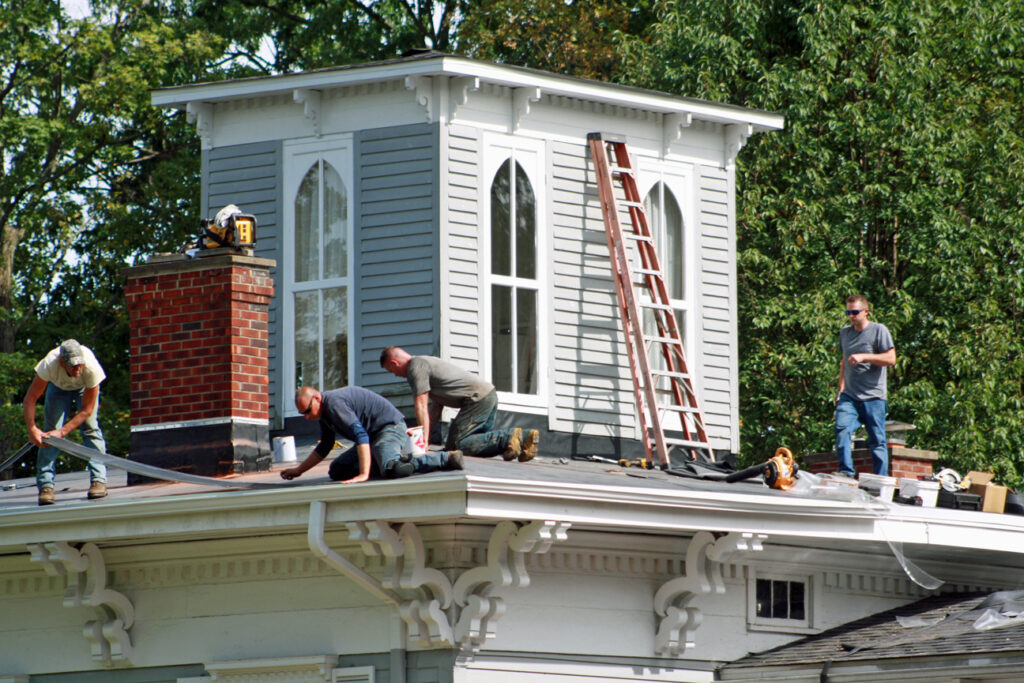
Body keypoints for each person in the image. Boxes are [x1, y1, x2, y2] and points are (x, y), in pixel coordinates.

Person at [379, 347, 539, 462]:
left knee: (457, 446)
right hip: (487, 395)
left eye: (392, 371)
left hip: (477, 399)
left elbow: (421, 407)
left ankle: (510, 437)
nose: (395, 375)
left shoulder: (416, 367)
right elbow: (435, 410)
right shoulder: (426, 363)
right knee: (476, 444)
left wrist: (422, 445)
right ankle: (522, 440)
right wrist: (426, 440)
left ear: (394, 363)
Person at [281, 385, 463, 484]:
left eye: (306, 410)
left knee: (392, 469)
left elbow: (361, 436)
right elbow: (325, 446)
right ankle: (383, 461)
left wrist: (363, 474)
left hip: (389, 428)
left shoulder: (334, 404)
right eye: (302, 413)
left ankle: (445, 458)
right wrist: (298, 471)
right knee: (338, 470)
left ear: (317, 398)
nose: (306, 416)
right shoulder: (324, 413)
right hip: (373, 438)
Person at [22, 339, 108, 505]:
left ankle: (99, 480)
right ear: (62, 363)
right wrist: (32, 429)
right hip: (58, 388)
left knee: (90, 428)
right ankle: (46, 486)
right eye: (73, 366)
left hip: (84, 388)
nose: (77, 370)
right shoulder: (49, 364)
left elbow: (86, 411)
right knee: (50, 433)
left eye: (79, 365)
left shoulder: (91, 368)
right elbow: (30, 399)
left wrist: (62, 433)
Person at [835, 295, 896, 477]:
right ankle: (846, 472)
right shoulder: (845, 333)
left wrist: (864, 356)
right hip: (850, 396)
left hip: (874, 397)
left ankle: (880, 480)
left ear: (866, 312)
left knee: (877, 441)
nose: (851, 316)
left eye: (855, 312)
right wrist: (840, 390)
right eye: (848, 312)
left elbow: (891, 359)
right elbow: (844, 362)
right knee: (841, 429)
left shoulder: (879, 330)